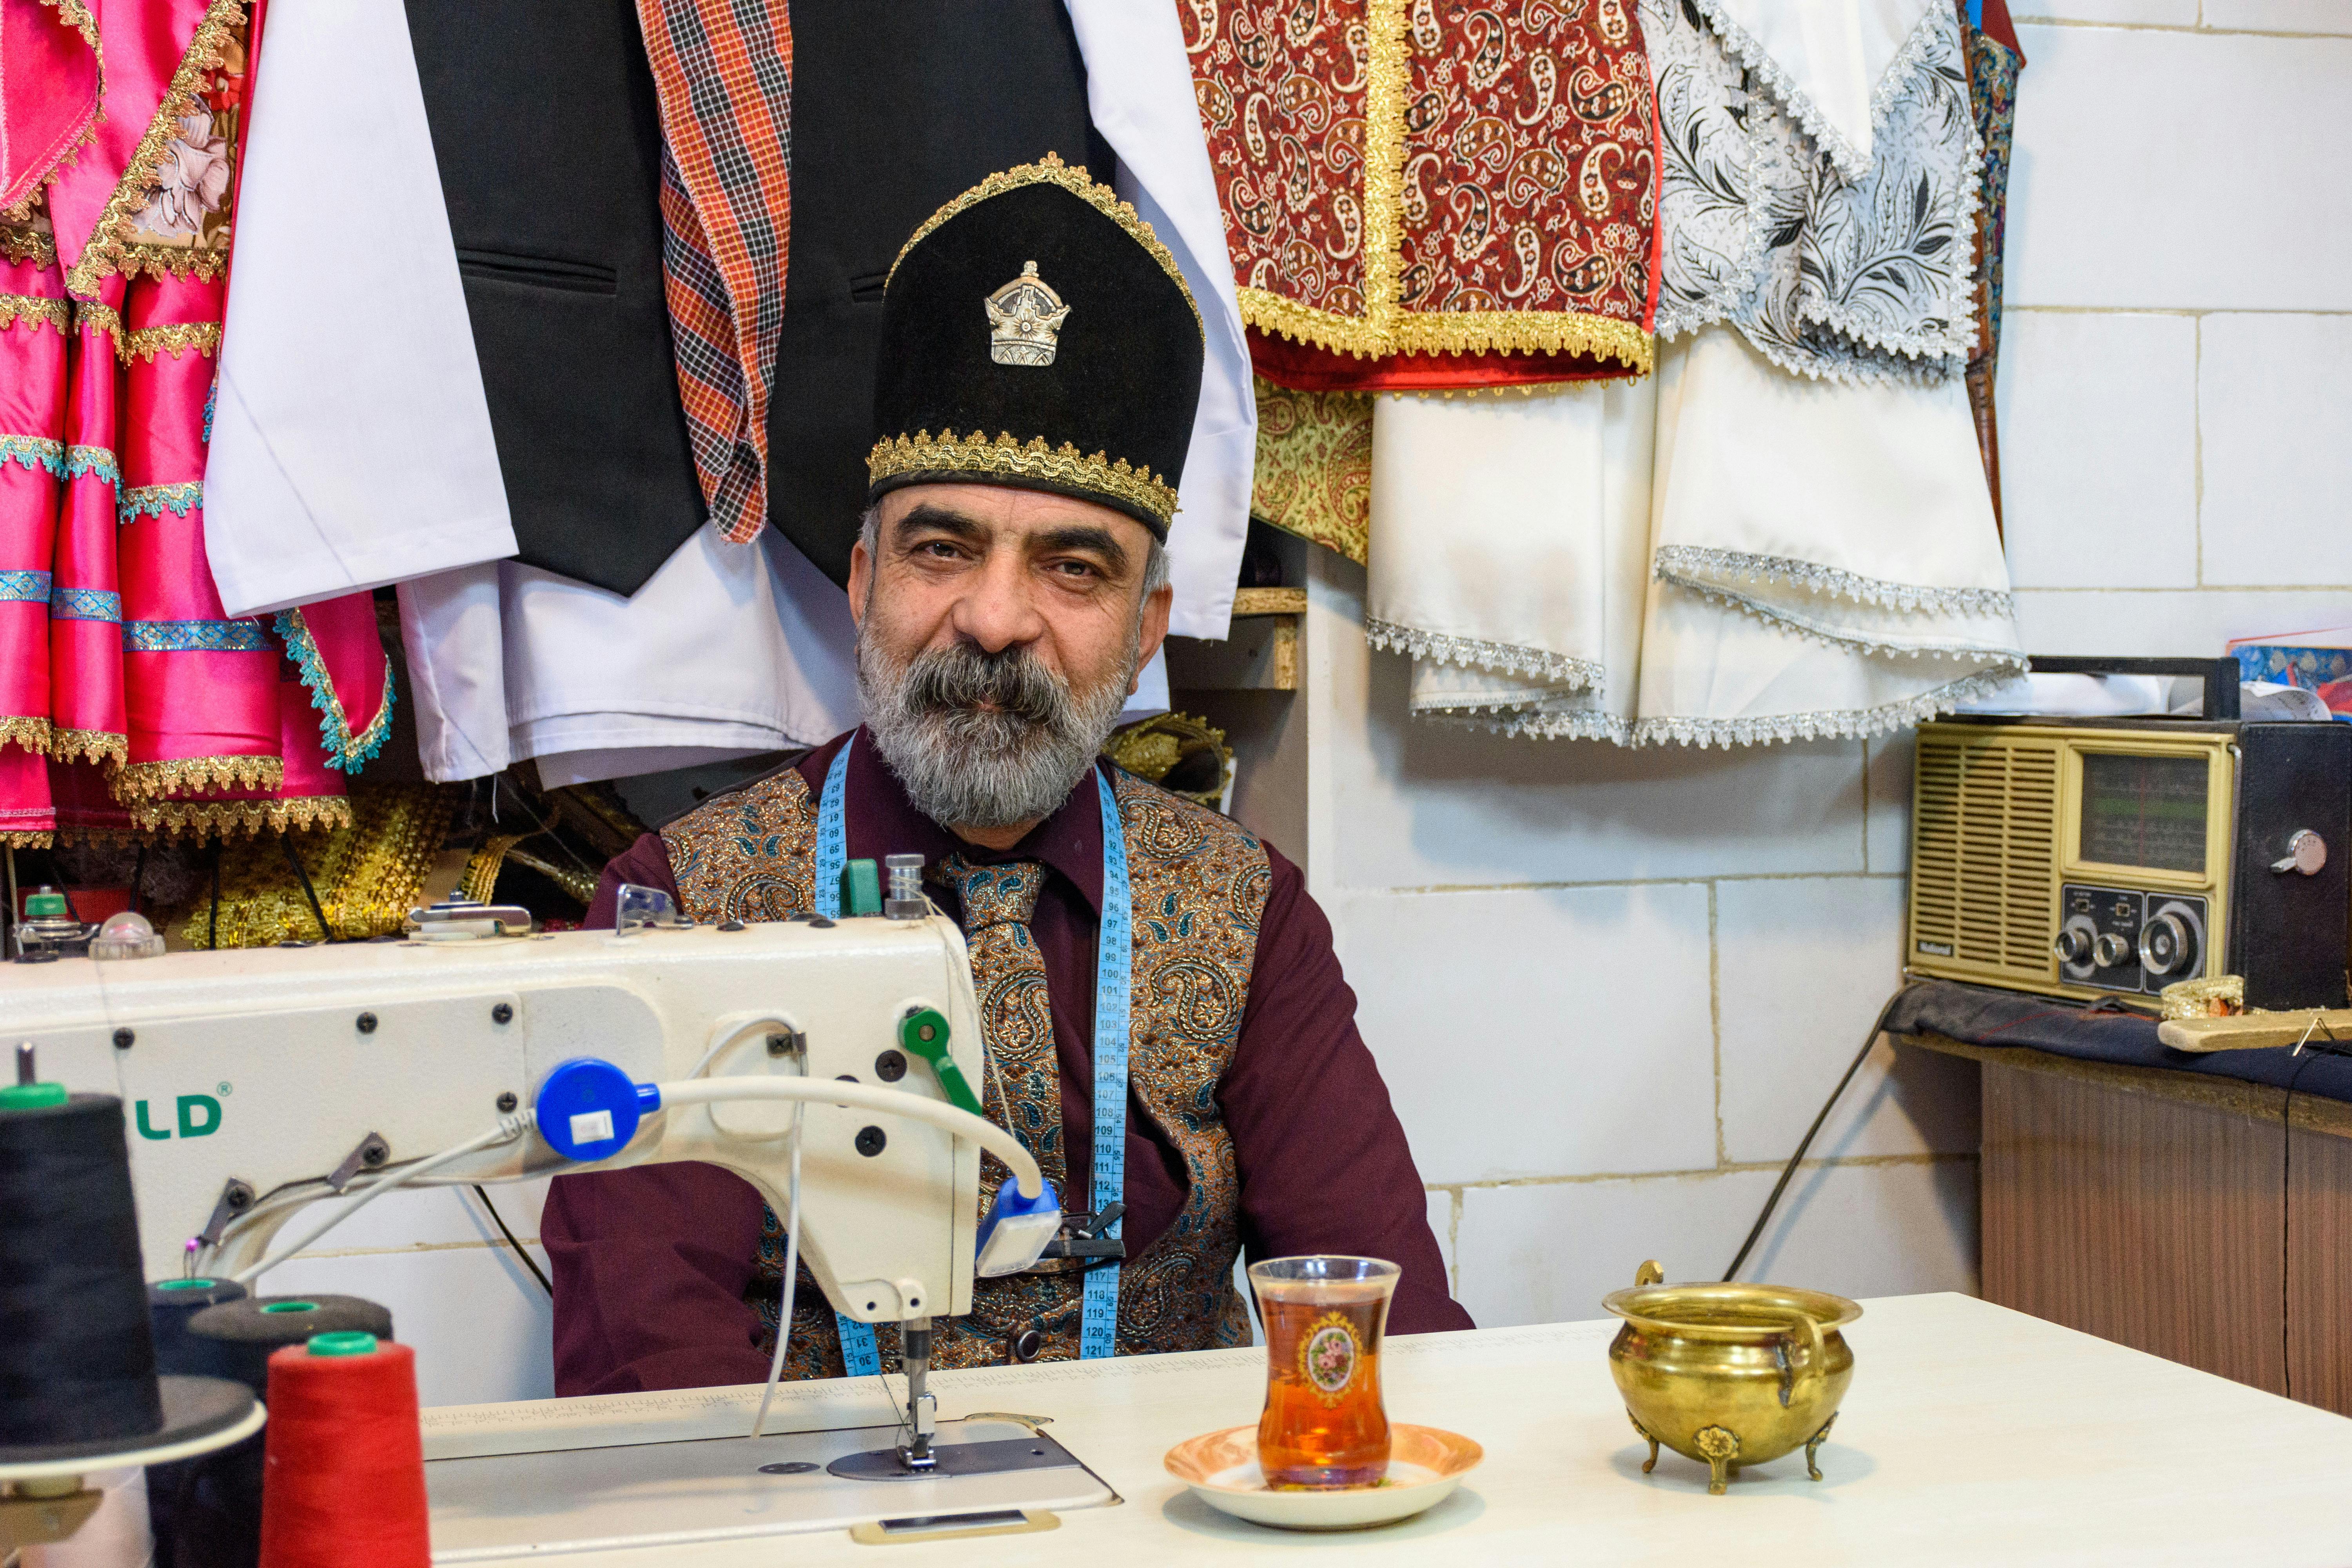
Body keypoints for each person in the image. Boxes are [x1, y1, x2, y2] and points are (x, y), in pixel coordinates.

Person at [546, 156, 1472, 1394]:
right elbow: (645, 1383)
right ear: (865, 582)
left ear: (1148, 631)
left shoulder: (1250, 918)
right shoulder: (675, 911)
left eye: (1074, 569)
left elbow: (1380, 1329)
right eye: (943, 549)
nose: (994, 620)